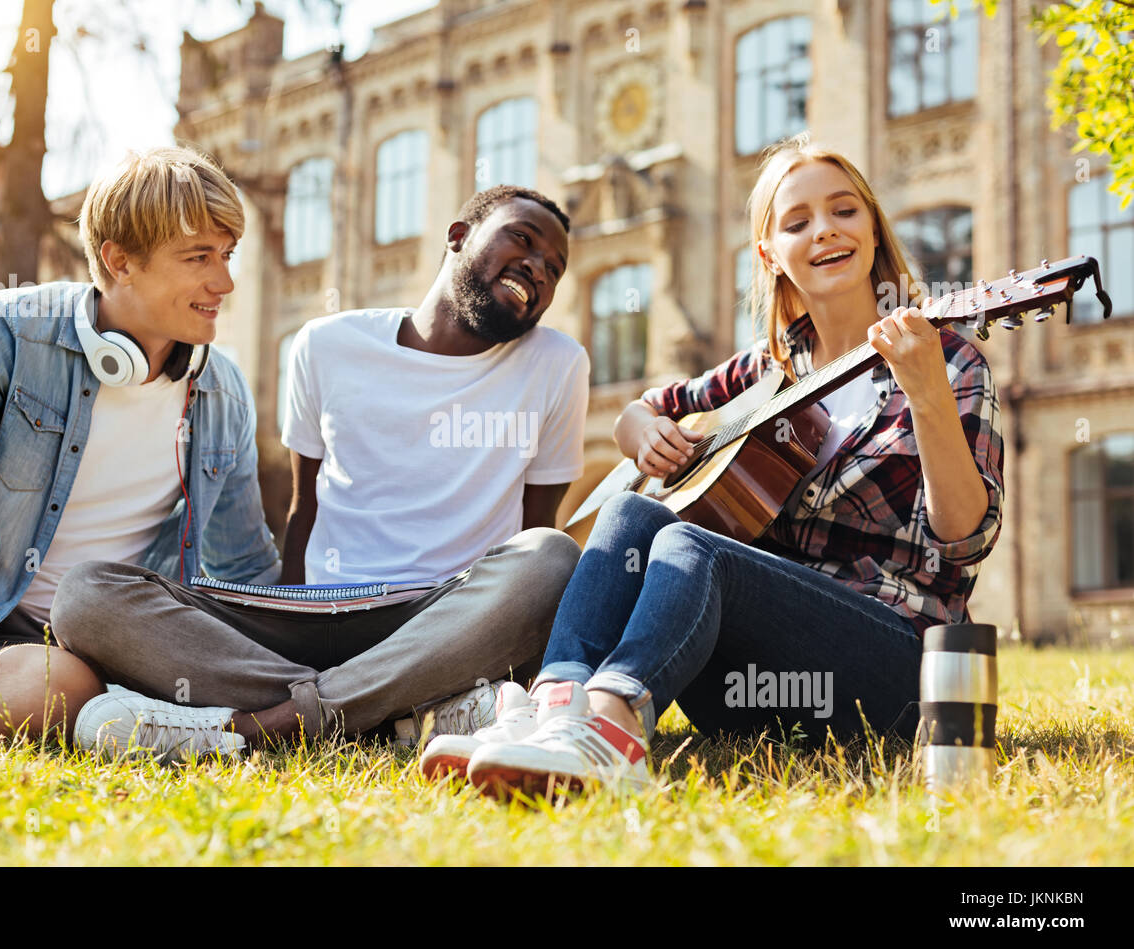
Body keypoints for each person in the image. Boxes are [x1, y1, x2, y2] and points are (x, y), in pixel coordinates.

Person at [430, 135, 1005, 794]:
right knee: (629, 510)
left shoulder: (949, 359)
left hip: (892, 671)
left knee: (691, 545)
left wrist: (928, 395)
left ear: (873, 228)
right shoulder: (769, 371)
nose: (824, 231)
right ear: (770, 254)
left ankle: (612, 730)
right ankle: (554, 709)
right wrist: (644, 432)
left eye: (844, 211)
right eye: (797, 222)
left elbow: (963, 544)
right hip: (746, 686)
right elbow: (643, 408)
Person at [52, 185, 588, 757]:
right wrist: (284, 608)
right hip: (312, 618)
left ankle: (257, 728)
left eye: (554, 270)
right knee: (84, 595)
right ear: (457, 237)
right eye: (523, 240)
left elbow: (535, 532)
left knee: (553, 556)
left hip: (441, 622)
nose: (537, 268)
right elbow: (301, 510)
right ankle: (404, 714)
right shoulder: (326, 345)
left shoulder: (557, 364)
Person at [0, 146, 279, 750]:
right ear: (120, 260)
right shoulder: (5, 329)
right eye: (199, 256)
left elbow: (246, 572)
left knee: (54, 694)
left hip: (54, 649)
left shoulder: (223, 394)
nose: (223, 282)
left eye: (226, 255)